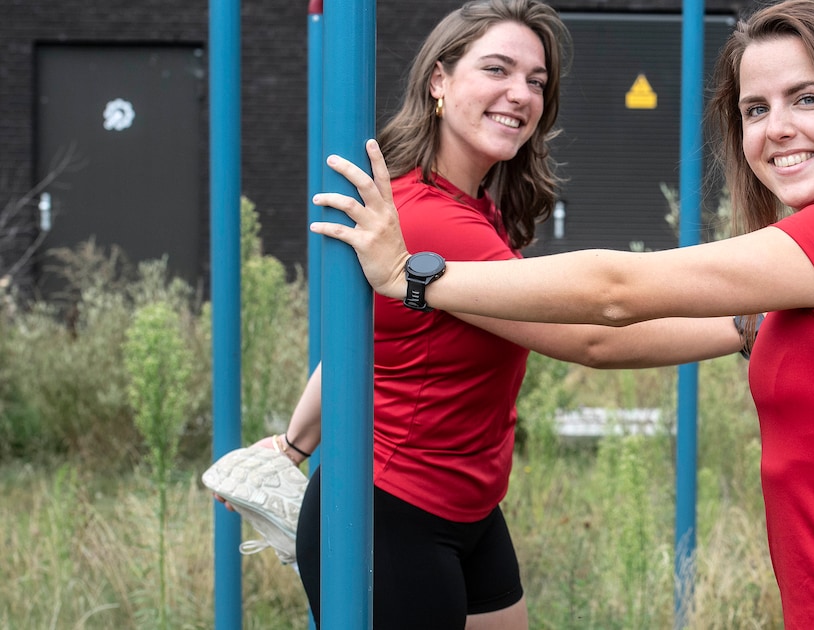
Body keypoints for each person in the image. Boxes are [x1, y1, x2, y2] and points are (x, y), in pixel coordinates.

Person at [309, 0, 814, 628]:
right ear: (437, 79)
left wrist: (415, 279)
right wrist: (291, 443)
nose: (778, 129)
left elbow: (615, 293)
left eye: (806, 99)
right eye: (756, 109)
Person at [212, 0, 742, 627]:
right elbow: (591, 335)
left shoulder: (454, 208)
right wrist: (742, 328)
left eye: (536, 81)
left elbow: (355, 348)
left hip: (467, 508)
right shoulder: (434, 220)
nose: (519, 94)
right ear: (439, 80)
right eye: (497, 70)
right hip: (394, 515)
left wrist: (294, 446)